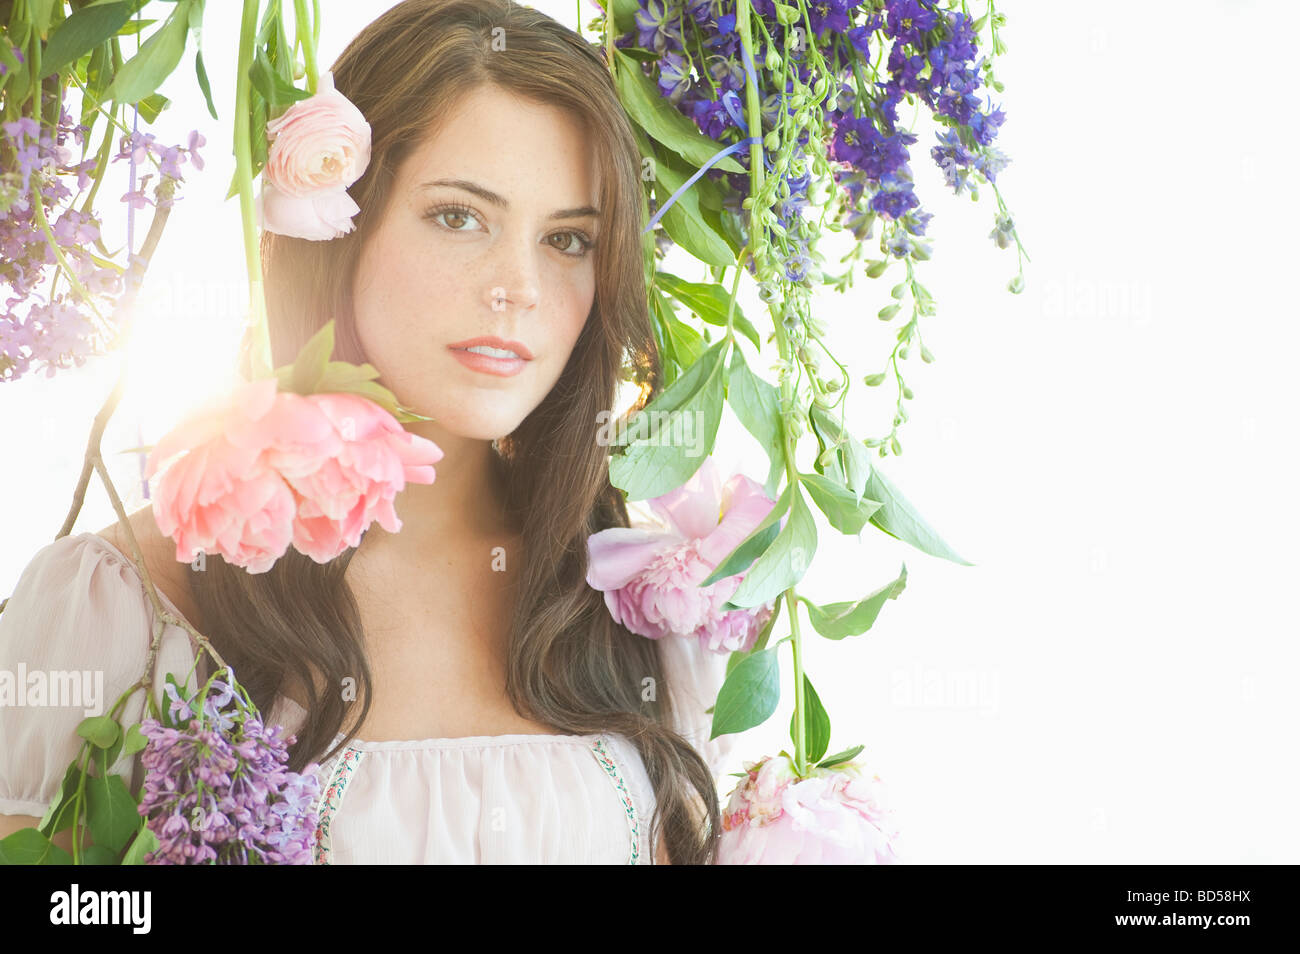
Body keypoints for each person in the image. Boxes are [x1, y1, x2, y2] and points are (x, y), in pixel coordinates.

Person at [0, 0, 736, 864]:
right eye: (459, 216)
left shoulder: (645, 602)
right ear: (337, 227)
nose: (519, 288)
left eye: (569, 239)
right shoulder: (128, 603)